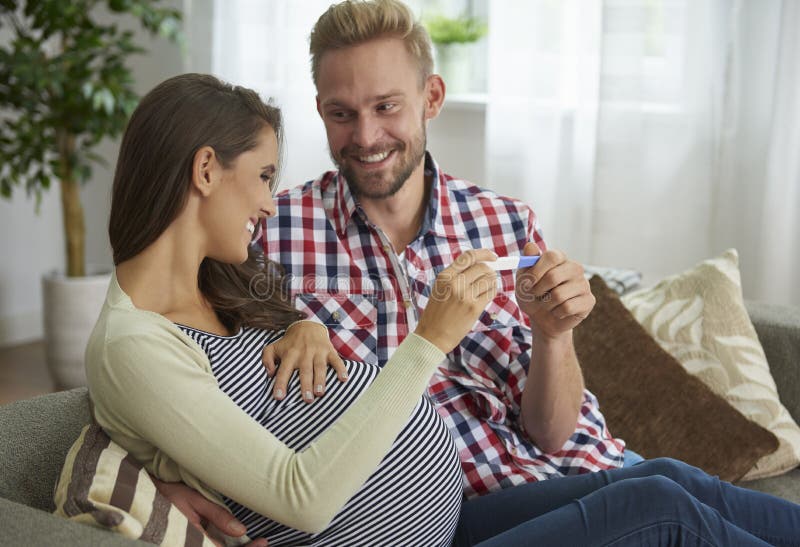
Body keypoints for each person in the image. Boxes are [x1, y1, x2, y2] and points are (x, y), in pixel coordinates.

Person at [87, 73, 800, 547]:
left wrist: (301, 322)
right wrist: (428, 339)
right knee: (657, 512)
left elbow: (204, 412)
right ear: (205, 170)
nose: (270, 203)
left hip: (444, 518)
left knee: (663, 477)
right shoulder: (132, 344)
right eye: (263, 177)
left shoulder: (221, 278)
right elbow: (300, 498)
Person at [261, 0, 624, 501]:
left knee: (683, 489)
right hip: (469, 510)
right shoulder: (270, 233)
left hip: (593, 472)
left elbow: (551, 433)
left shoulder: (507, 222)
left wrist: (554, 335)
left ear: (431, 97)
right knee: (672, 502)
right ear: (320, 110)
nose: (365, 137)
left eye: (386, 107)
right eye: (342, 114)